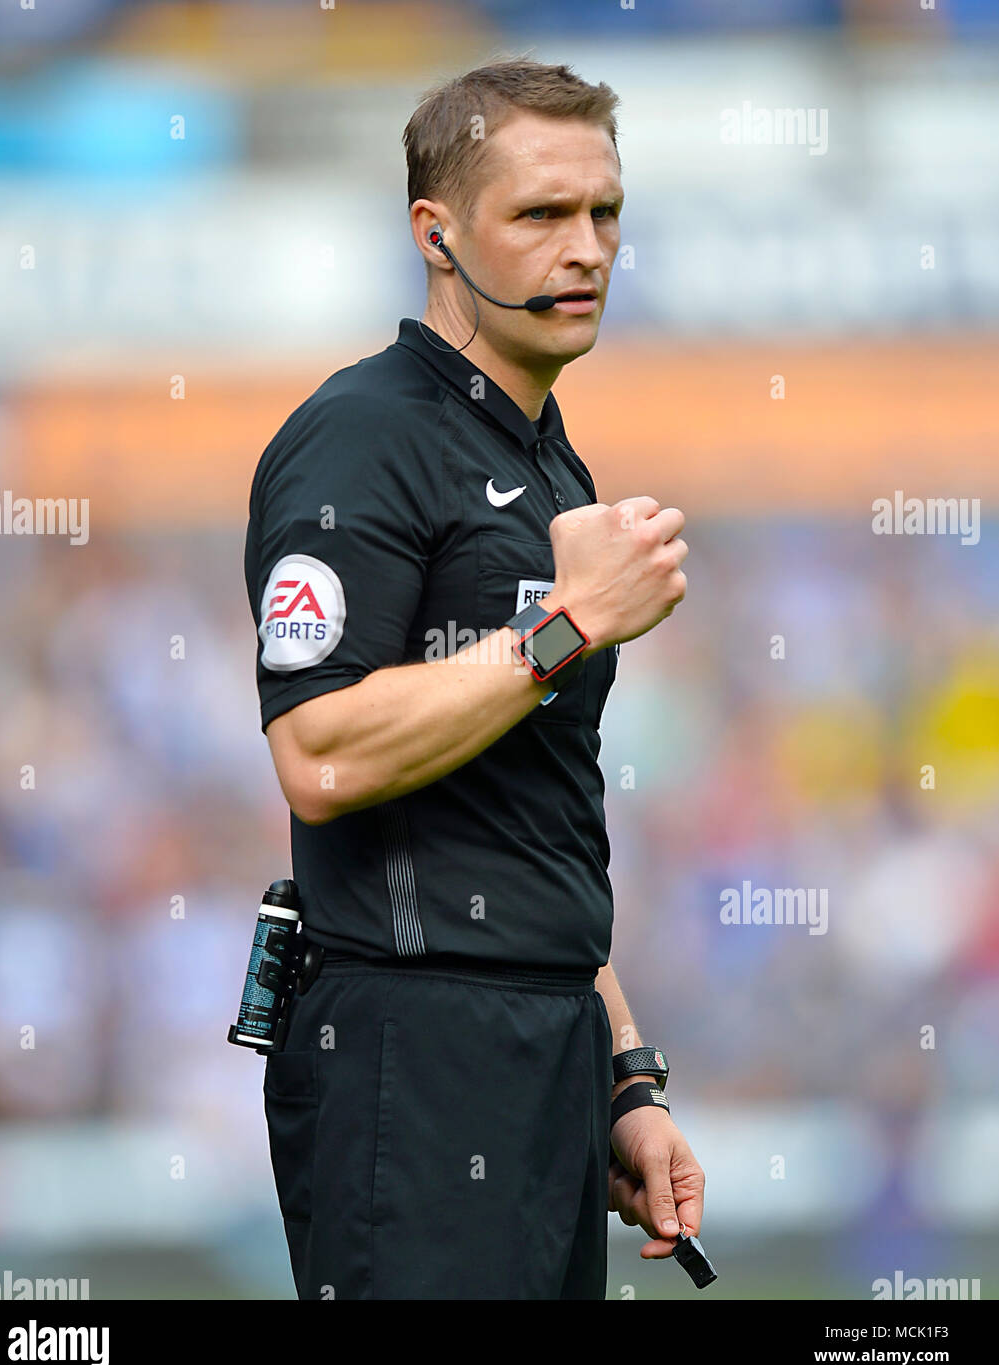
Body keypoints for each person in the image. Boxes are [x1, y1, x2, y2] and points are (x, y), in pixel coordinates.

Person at [244, 57, 704, 1300]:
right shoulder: (365, 436)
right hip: (410, 1046)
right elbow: (320, 753)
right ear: (435, 235)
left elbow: (540, 811)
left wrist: (623, 1076)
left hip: (541, 1045)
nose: (588, 249)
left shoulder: (556, 467)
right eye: (543, 215)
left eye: (605, 213)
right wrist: (566, 630)